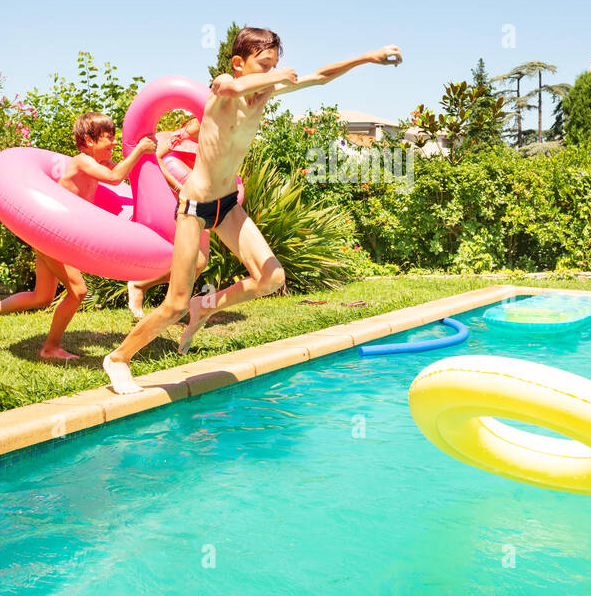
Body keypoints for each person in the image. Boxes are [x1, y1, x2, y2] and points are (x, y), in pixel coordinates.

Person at [103, 27, 401, 393]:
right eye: (263, 65)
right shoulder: (225, 87)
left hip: (228, 205)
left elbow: (321, 77)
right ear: (239, 64)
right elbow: (227, 87)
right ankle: (118, 359)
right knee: (174, 302)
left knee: (271, 278)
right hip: (195, 208)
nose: (271, 72)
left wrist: (367, 57)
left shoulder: (265, 90)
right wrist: (276, 78)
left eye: (275, 64)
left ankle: (207, 305)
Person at [0, 112, 155, 360]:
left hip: (51, 237)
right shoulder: (82, 161)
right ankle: (50, 348)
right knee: (78, 291)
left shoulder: (98, 164)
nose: (113, 142)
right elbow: (114, 177)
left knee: (41, 296)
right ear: (88, 140)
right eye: (108, 137)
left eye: (114, 136)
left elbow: (122, 174)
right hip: (53, 235)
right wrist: (140, 150)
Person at [126, 114, 204, 319]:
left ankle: (170, 310)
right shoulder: (195, 127)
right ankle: (140, 285)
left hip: (199, 200)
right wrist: (178, 186)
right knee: (194, 261)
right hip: (175, 197)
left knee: (200, 263)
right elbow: (156, 156)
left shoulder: (224, 130)